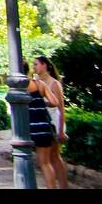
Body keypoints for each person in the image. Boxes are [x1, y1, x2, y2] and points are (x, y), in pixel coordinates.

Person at [32, 56, 69, 188]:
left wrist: (61, 131)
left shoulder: (54, 83)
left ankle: (63, 185)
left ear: (44, 65)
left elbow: (61, 108)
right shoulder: (36, 83)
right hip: (43, 121)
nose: (34, 67)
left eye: (36, 64)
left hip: (54, 121)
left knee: (55, 156)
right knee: (49, 157)